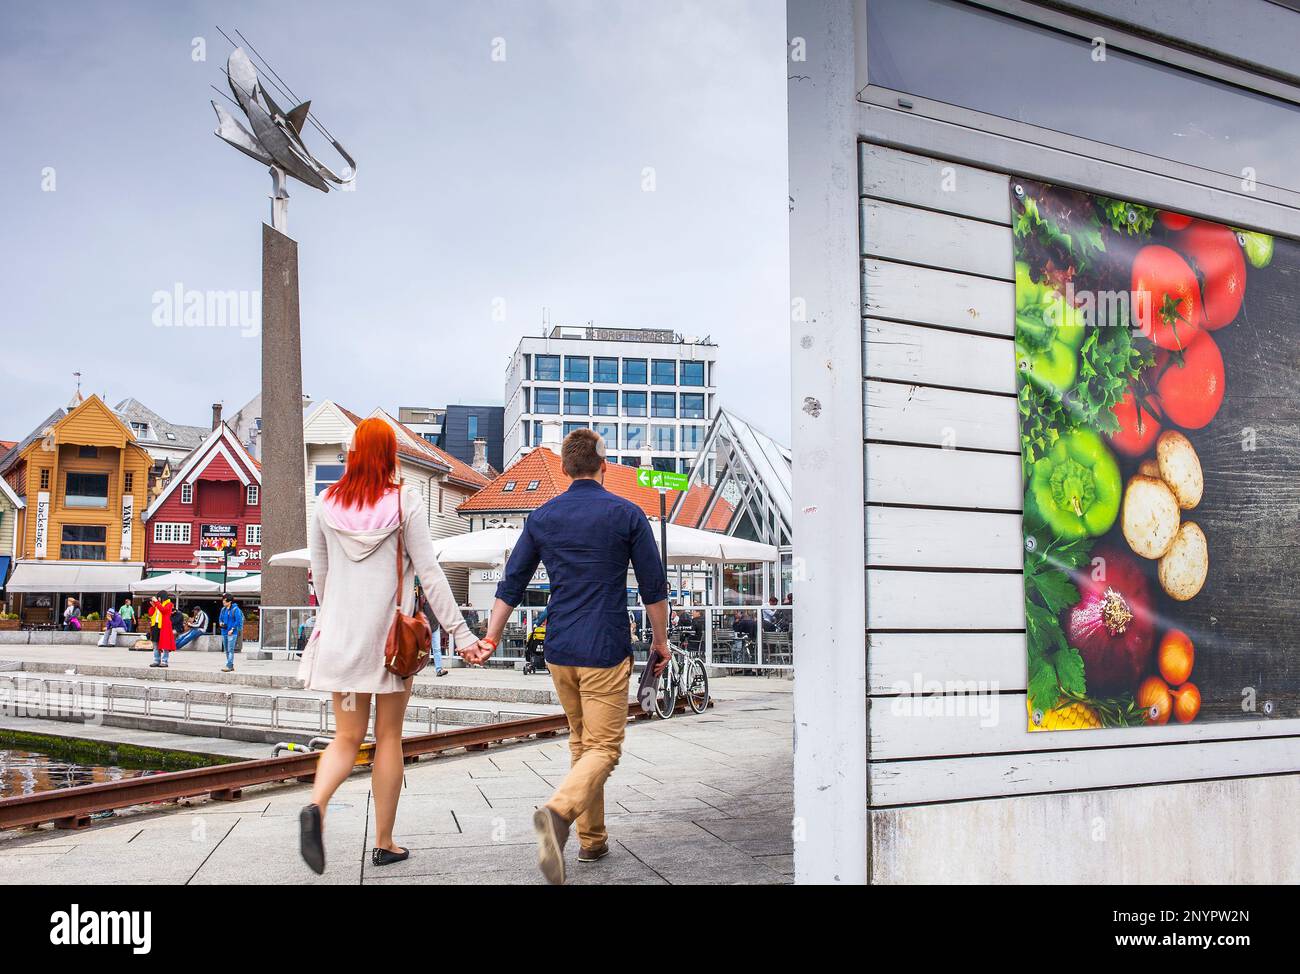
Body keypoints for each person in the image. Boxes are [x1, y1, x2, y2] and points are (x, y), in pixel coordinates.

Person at [464, 428, 669, 885]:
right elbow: (654, 588)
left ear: (563, 467)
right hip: (604, 646)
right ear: (604, 465)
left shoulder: (542, 516)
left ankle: (591, 841)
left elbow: (511, 584)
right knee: (605, 748)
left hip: (559, 649)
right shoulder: (628, 514)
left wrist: (492, 637)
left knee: (582, 743)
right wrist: (661, 640)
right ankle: (557, 814)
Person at [297, 418, 478, 875]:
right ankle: (384, 842)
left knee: (345, 738)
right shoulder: (406, 503)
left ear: (354, 454)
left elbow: (319, 577)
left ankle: (316, 806)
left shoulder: (325, 503)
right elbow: (431, 576)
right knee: (389, 738)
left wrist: (333, 617)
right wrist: (463, 636)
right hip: (389, 644)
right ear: (390, 455)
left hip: (339, 638)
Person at [415, 592, 448, 677]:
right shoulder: (422, 600)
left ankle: (439, 669)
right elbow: (417, 613)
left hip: (435, 627)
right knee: (422, 649)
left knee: (436, 649)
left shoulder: (437, 600)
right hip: (425, 628)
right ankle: (415, 668)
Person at [147, 592, 175, 667]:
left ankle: (164, 661)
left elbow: (163, 610)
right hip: (155, 625)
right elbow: (150, 614)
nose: (158, 599)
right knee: (155, 644)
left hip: (164, 626)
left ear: (162, 597)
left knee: (165, 645)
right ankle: (156, 660)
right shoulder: (157, 604)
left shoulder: (169, 604)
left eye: (158, 597)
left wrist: (156, 602)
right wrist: (153, 606)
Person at [218, 595, 243, 673]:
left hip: (232, 632)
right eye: (223, 600)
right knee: (226, 650)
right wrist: (221, 623)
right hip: (224, 631)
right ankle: (230, 665)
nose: (223, 602)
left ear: (229, 602)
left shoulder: (236, 609)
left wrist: (232, 629)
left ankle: (229, 666)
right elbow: (220, 618)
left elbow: (238, 621)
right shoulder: (223, 609)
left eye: (225, 601)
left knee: (230, 649)